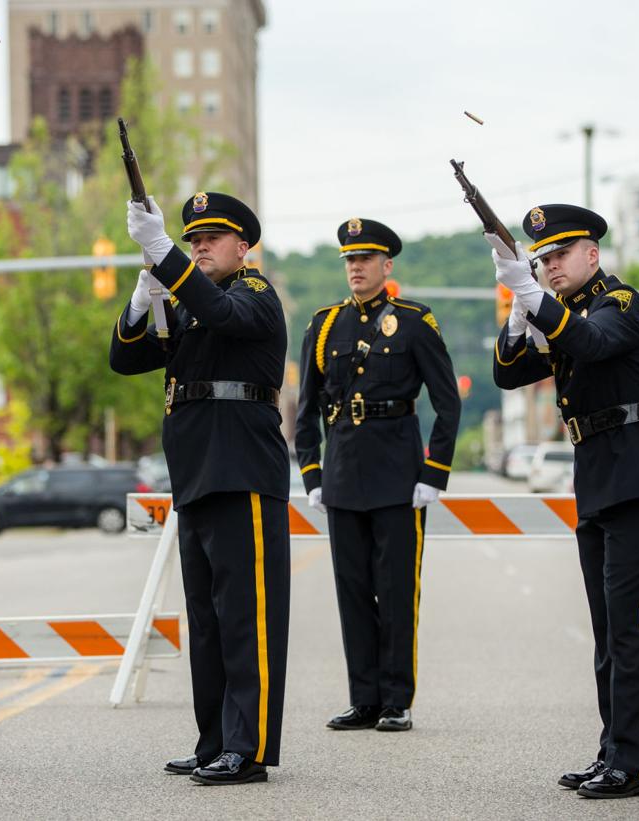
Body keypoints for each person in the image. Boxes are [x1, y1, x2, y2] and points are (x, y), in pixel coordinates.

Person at [491, 204, 639, 799]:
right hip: (598, 475)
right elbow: (507, 375)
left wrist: (533, 297)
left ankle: (633, 763)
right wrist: (519, 313)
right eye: (541, 260)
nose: (550, 266)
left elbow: (592, 343)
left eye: (560, 256)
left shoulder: (620, 304)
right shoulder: (567, 315)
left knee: (635, 630)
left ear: (592, 255)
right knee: (609, 631)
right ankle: (612, 752)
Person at [111, 192, 290, 786]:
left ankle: (250, 745)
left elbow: (225, 314)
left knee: (247, 618)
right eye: (192, 239)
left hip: (242, 468)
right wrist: (141, 303)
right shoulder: (189, 304)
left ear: (244, 246)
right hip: (195, 472)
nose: (201, 246)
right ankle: (214, 739)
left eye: (212, 238)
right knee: (207, 620)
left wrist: (164, 255)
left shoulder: (255, 294)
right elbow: (124, 361)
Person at [294, 218, 461, 733]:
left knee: (394, 590)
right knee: (351, 589)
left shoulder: (415, 320)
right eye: (349, 259)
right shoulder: (324, 325)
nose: (356, 267)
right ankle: (363, 699)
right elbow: (305, 409)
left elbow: (447, 400)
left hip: (396, 473)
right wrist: (313, 473)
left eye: (365, 259)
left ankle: (396, 700)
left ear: (387, 266)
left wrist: (434, 471)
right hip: (343, 472)